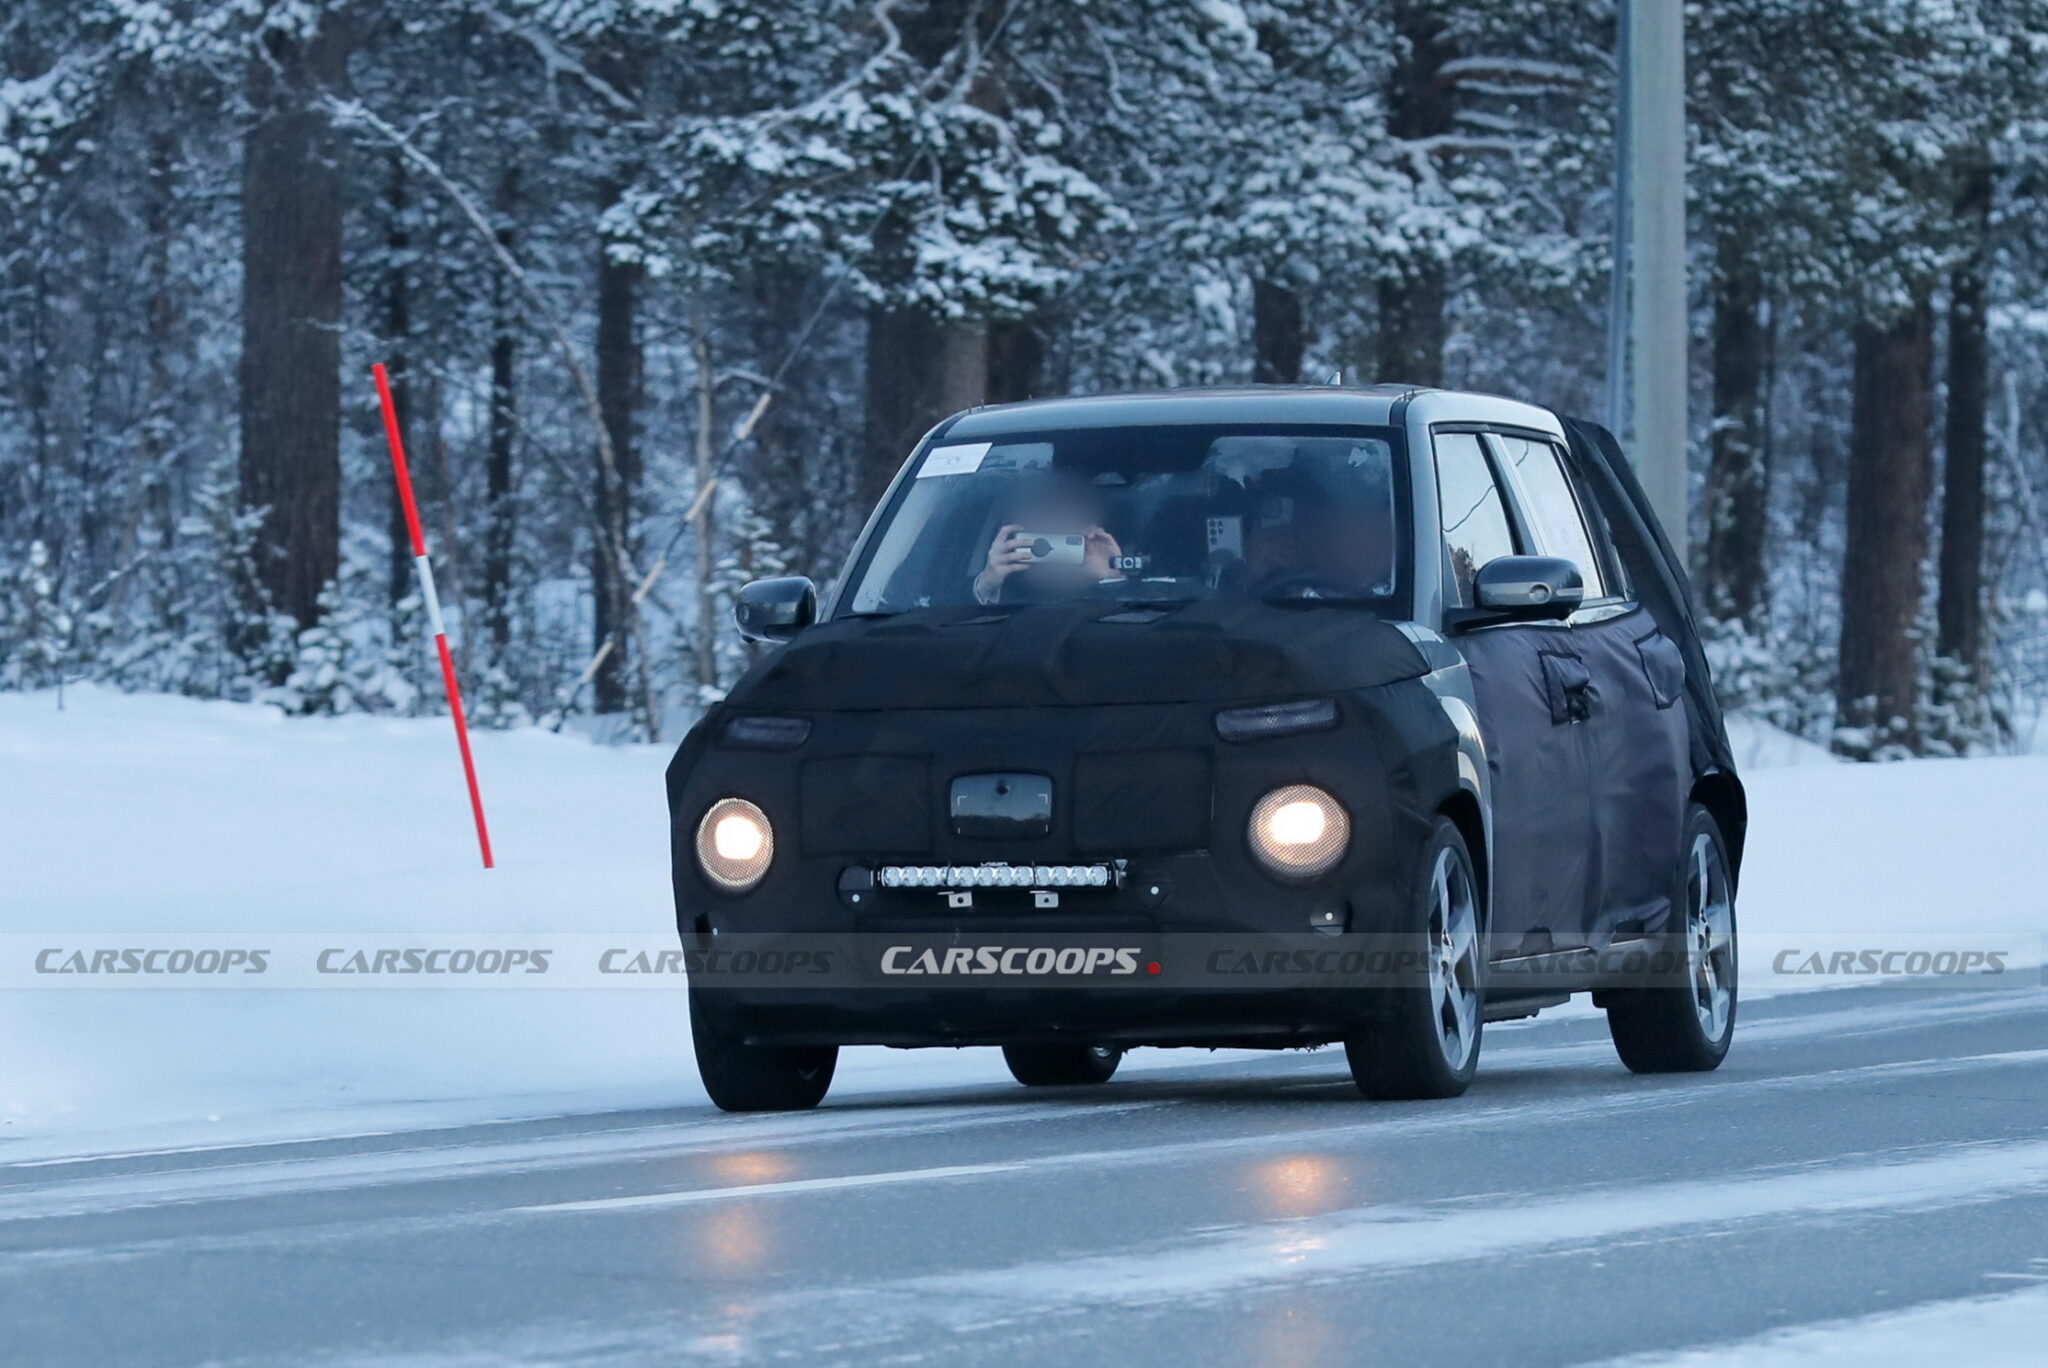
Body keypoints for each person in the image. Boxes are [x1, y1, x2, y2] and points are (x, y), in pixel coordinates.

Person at [972, 474, 1123, 605]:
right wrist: (986, 584)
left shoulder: (1115, 593)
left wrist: (1113, 578)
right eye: (1046, 520)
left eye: (1069, 518)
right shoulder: (1008, 586)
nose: (1057, 528)